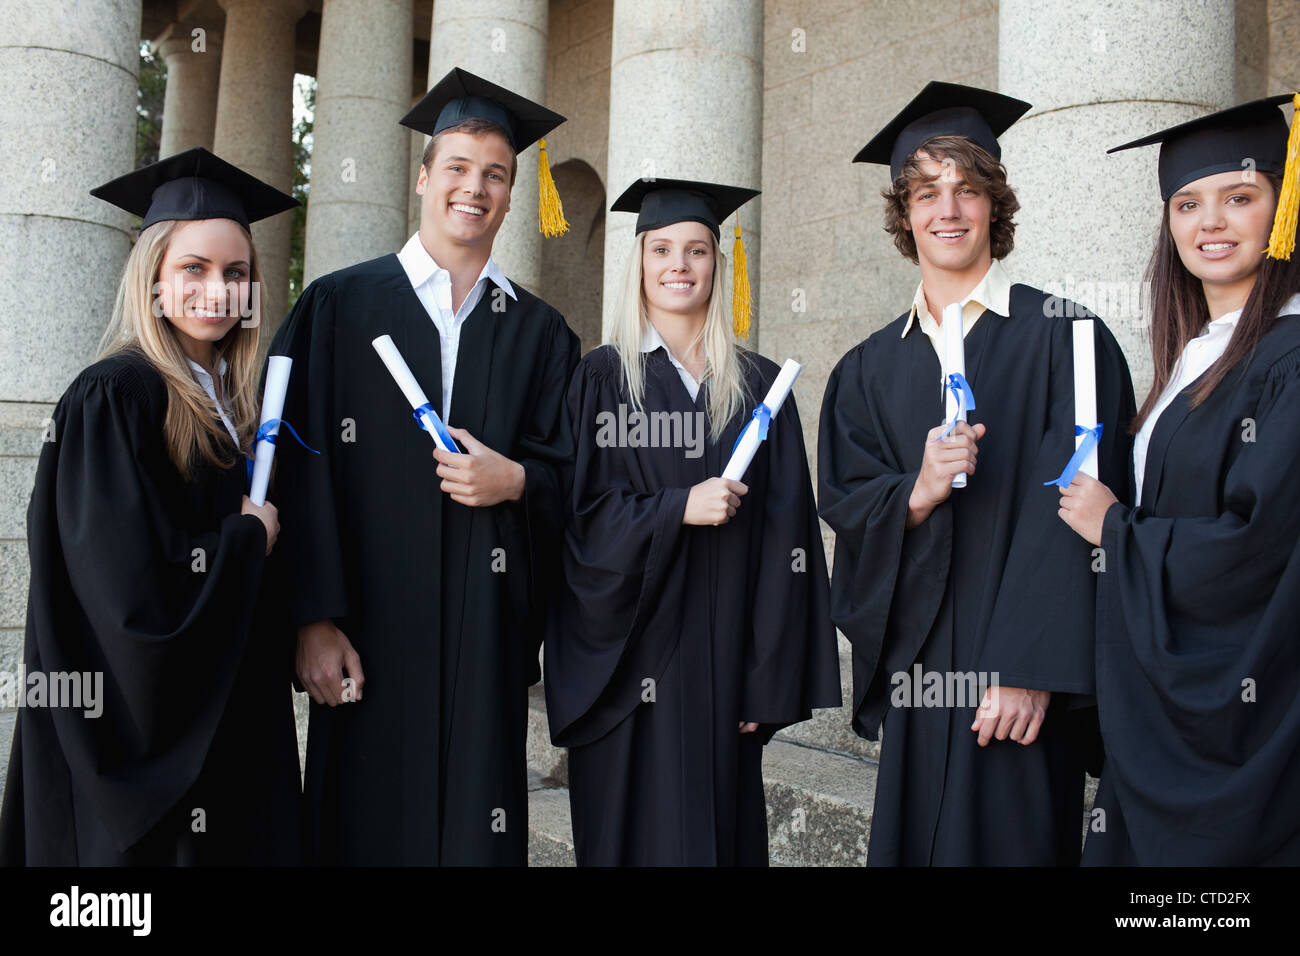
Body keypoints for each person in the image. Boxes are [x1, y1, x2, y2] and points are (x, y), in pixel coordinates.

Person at [818, 82, 1136, 865]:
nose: (948, 209)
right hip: (923, 683)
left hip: (1021, 690)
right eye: (926, 193)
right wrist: (915, 493)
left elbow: (1084, 507)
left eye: (967, 189)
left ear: (995, 204)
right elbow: (850, 506)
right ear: (904, 214)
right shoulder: (865, 370)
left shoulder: (1067, 337)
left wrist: (1035, 669)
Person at [270, 67, 580, 865]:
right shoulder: (338, 307)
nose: (474, 189)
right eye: (458, 168)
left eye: (495, 175)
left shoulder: (542, 334)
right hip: (364, 631)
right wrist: (312, 617)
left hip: (485, 634)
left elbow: (572, 473)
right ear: (422, 177)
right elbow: (294, 469)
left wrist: (516, 481)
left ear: (512, 194)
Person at [0, 148, 301, 865]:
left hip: (228, 718)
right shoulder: (118, 397)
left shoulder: (231, 405)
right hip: (147, 743)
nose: (217, 290)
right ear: (154, 278)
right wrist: (243, 542)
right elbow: (122, 588)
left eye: (236, 274)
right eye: (192, 269)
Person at [546, 178, 840, 866]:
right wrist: (680, 507)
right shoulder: (598, 380)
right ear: (640, 263)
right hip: (625, 675)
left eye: (698, 250)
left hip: (721, 676)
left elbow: (785, 543)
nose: (679, 265)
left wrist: (766, 682)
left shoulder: (762, 389)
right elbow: (577, 523)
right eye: (663, 249)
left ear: (718, 264)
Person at [1059, 94, 1300, 865]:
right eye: (1187, 203)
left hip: (1242, 715)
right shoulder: (1194, 354)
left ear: (1284, 209)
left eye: (1240, 197)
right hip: (1164, 704)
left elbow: (1260, 545)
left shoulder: (1289, 358)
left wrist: (1115, 530)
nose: (1212, 223)